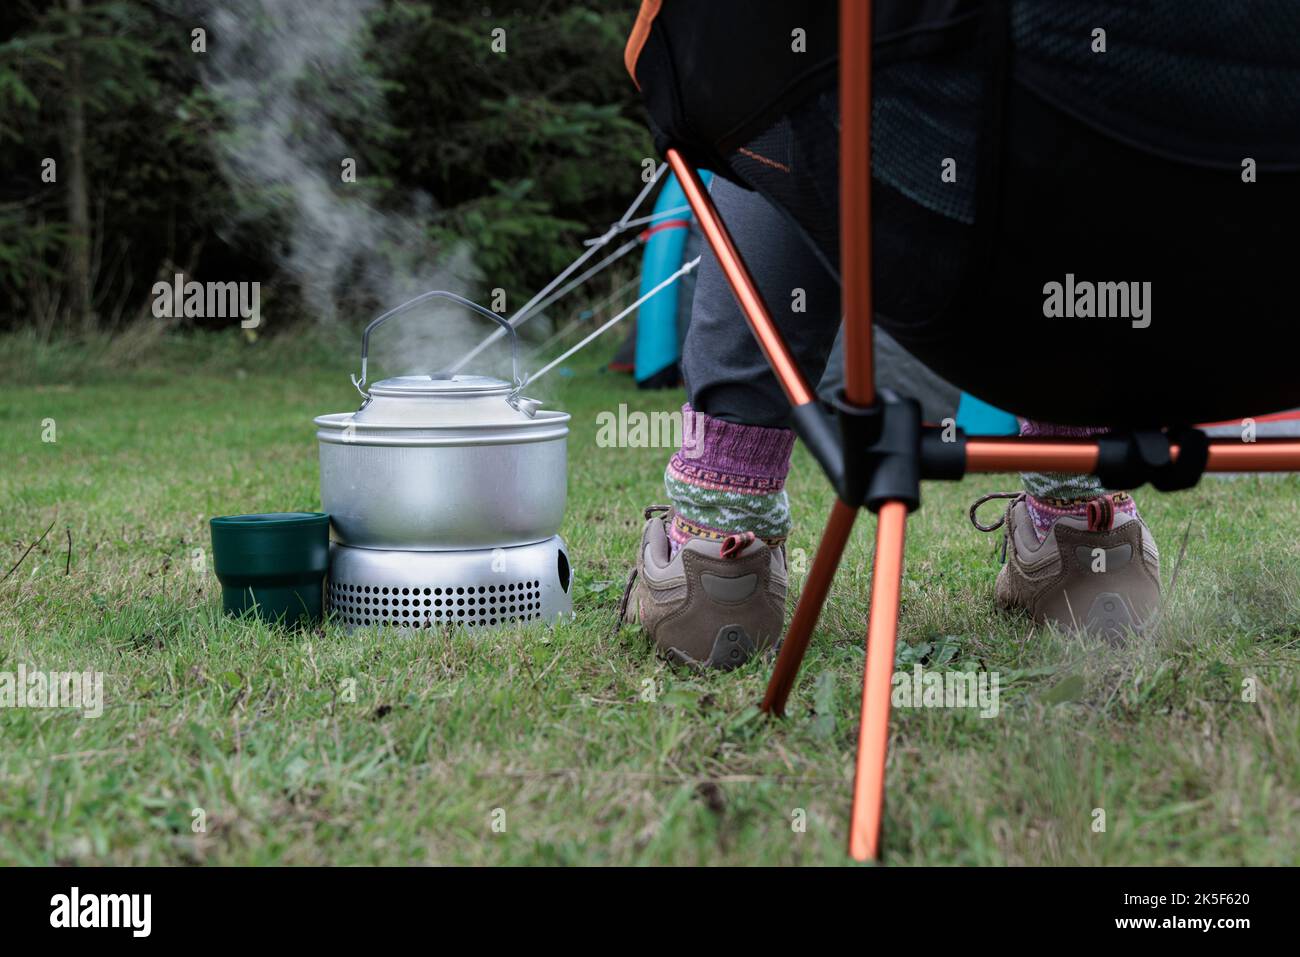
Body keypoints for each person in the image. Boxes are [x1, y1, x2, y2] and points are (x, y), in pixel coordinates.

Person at [616, 0, 1300, 668]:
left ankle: (720, 534)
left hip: (941, 218)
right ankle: (1083, 531)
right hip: (1249, 273)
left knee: (772, 91)